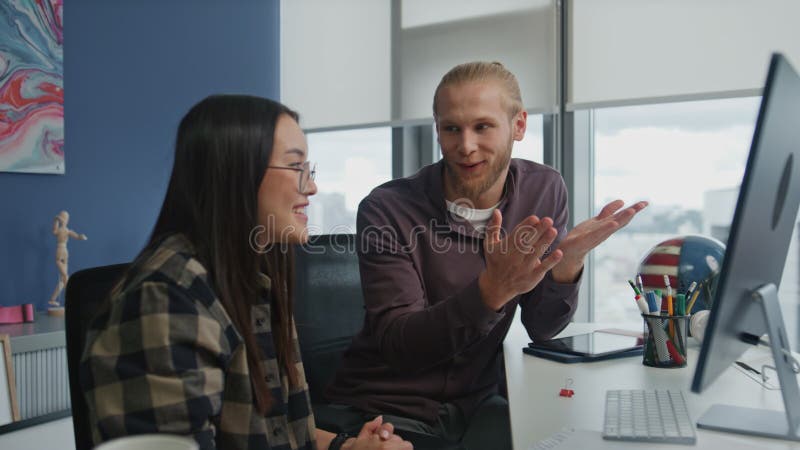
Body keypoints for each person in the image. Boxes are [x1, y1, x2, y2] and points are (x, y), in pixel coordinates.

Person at [326, 62, 648, 449]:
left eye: (482, 126)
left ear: (519, 126)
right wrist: (490, 292)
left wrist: (565, 268)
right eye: (451, 129)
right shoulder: (387, 208)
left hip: (476, 405)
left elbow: (543, 328)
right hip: (386, 409)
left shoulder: (543, 190)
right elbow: (400, 346)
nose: (465, 146)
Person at [80, 95, 412, 450]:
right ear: (236, 171)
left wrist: (346, 447)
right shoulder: (164, 300)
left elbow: (280, 432)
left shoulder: (256, 280)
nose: (312, 187)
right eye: (295, 166)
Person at [48, 210, 87, 308]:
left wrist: (81, 237)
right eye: (64, 217)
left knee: (62, 280)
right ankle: (70, 297)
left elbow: (77, 236)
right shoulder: (59, 230)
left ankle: (52, 299)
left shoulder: (68, 231)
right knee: (65, 277)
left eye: (66, 218)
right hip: (60, 250)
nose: (65, 219)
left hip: (65, 251)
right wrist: (56, 219)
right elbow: (54, 230)